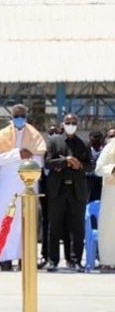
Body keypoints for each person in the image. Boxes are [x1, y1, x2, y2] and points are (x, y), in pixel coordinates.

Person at [0, 104, 47, 271]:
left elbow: (40, 161)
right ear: (12, 116)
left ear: (26, 116)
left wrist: (29, 156)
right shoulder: (3, 134)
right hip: (7, 185)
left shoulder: (34, 134)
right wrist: (17, 154)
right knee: (4, 219)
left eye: (22, 115)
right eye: (17, 115)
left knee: (26, 221)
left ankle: (25, 258)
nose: (19, 118)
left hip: (27, 185)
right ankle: (4, 258)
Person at [44, 113, 92, 272]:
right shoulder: (53, 141)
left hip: (77, 190)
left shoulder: (84, 143)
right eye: (68, 122)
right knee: (54, 226)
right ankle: (53, 260)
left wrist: (79, 165)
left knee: (77, 227)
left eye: (73, 122)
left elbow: (91, 165)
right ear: (62, 124)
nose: (71, 124)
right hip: (57, 190)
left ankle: (75, 260)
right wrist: (65, 161)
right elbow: (48, 162)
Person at [95, 129, 115, 271]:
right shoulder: (110, 147)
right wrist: (113, 169)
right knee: (109, 227)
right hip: (112, 191)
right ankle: (108, 260)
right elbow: (98, 168)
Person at [88, 130, 105, 202]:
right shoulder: (86, 149)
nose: (95, 139)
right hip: (87, 179)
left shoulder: (105, 150)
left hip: (100, 179)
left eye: (98, 137)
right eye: (94, 137)